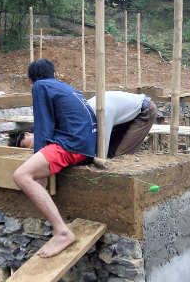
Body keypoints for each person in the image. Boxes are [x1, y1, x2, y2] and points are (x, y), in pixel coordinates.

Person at [12, 59, 97, 257]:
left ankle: (62, 231)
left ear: (31, 80)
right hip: (84, 145)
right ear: (53, 73)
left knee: (22, 175)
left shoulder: (40, 86)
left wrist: (37, 160)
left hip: (71, 144)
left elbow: (43, 125)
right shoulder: (64, 87)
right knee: (31, 173)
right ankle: (60, 229)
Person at [88, 90, 156, 157]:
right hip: (125, 115)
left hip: (145, 111)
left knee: (122, 155)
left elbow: (103, 143)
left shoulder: (103, 113)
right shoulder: (87, 108)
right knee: (111, 150)